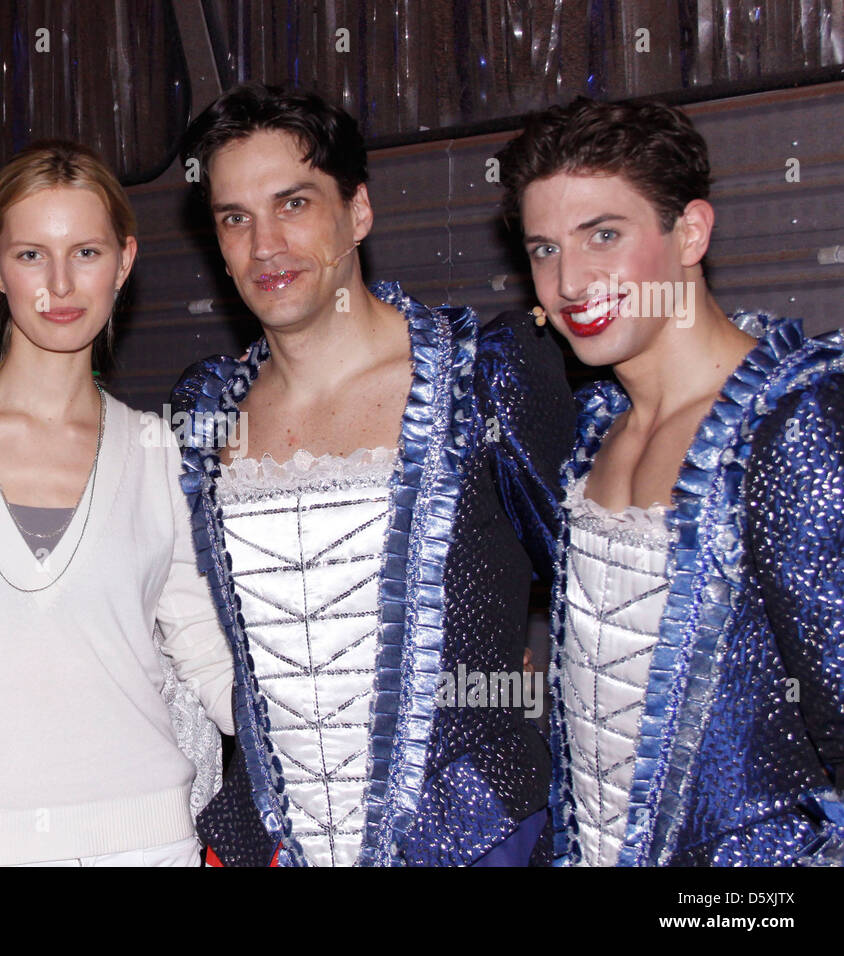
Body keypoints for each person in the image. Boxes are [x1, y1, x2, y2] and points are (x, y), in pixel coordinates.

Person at [170, 83, 576, 866]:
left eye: (294, 204)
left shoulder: (484, 376)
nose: (265, 247)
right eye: (235, 218)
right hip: (267, 842)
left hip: (472, 837)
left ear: (357, 213)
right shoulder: (205, 406)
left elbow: (603, 590)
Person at [496, 96, 844, 866]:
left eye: (604, 236)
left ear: (689, 232)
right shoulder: (594, 432)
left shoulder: (792, 420)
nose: (572, 281)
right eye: (544, 249)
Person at [0, 140, 233, 867]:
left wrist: (351, 732)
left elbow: (212, 657)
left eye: (87, 252)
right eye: (32, 254)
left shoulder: (161, 452)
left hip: (145, 841)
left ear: (124, 262)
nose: (60, 283)